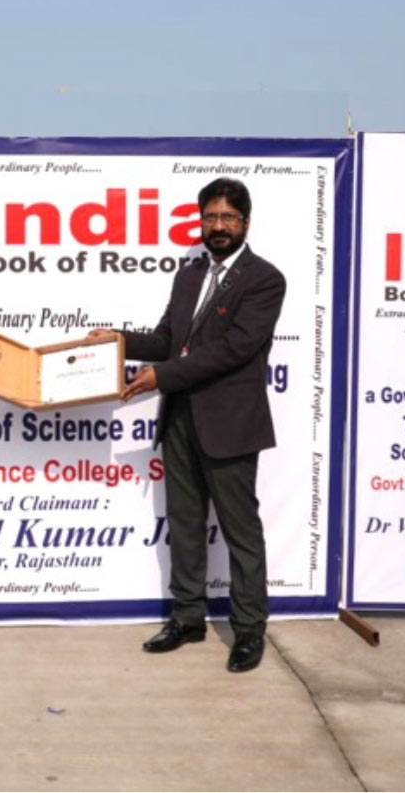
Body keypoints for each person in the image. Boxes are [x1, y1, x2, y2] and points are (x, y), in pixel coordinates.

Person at [106, 178, 285, 673]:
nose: (218, 227)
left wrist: (159, 376)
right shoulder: (188, 274)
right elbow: (168, 338)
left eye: (228, 218)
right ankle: (188, 618)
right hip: (181, 417)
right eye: (210, 218)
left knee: (240, 531)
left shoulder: (265, 280)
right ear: (200, 220)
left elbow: (233, 351)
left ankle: (249, 631)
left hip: (229, 423)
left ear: (246, 223)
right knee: (184, 525)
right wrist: (116, 341)